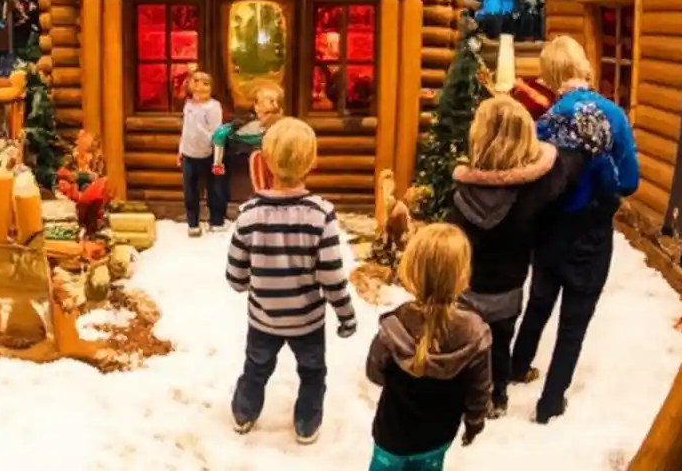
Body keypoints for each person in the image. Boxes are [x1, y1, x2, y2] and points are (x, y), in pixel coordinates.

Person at [511, 35, 639, 423]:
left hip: (550, 229)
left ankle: (517, 367)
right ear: (583, 65)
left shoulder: (545, 121)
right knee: (574, 320)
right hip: (591, 234)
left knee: (539, 302)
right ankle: (550, 403)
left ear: (550, 75)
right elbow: (629, 181)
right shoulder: (614, 116)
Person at [447, 95, 589, 417]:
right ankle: (497, 396)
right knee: (500, 341)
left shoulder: (461, 195)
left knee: (468, 342)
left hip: (468, 288)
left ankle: (468, 395)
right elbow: (569, 164)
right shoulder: (535, 189)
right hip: (509, 290)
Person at [226, 117, 356, 444]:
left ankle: (244, 414)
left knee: (255, 369)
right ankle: (306, 424)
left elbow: (235, 272)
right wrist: (346, 315)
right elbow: (332, 275)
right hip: (308, 321)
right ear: (312, 163)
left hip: (262, 318)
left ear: (266, 160)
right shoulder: (320, 214)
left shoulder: (249, 213)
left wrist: (245, 285)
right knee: (312, 373)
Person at [366, 223, 491, 470]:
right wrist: (474, 423)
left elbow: (374, 372)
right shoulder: (475, 333)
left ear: (411, 270)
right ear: (462, 275)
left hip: (391, 434)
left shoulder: (393, 326)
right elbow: (480, 390)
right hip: (438, 436)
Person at [179, 71, 225, 237]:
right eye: (196, 83)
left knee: (214, 188)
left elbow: (217, 132)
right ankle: (193, 222)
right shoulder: (188, 105)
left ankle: (217, 220)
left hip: (208, 154)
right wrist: (181, 150)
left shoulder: (213, 107)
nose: (200, 88)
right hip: (189, 154)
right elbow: (185, 129)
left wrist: (217, 157)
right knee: (190, 190)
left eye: (205, 84)